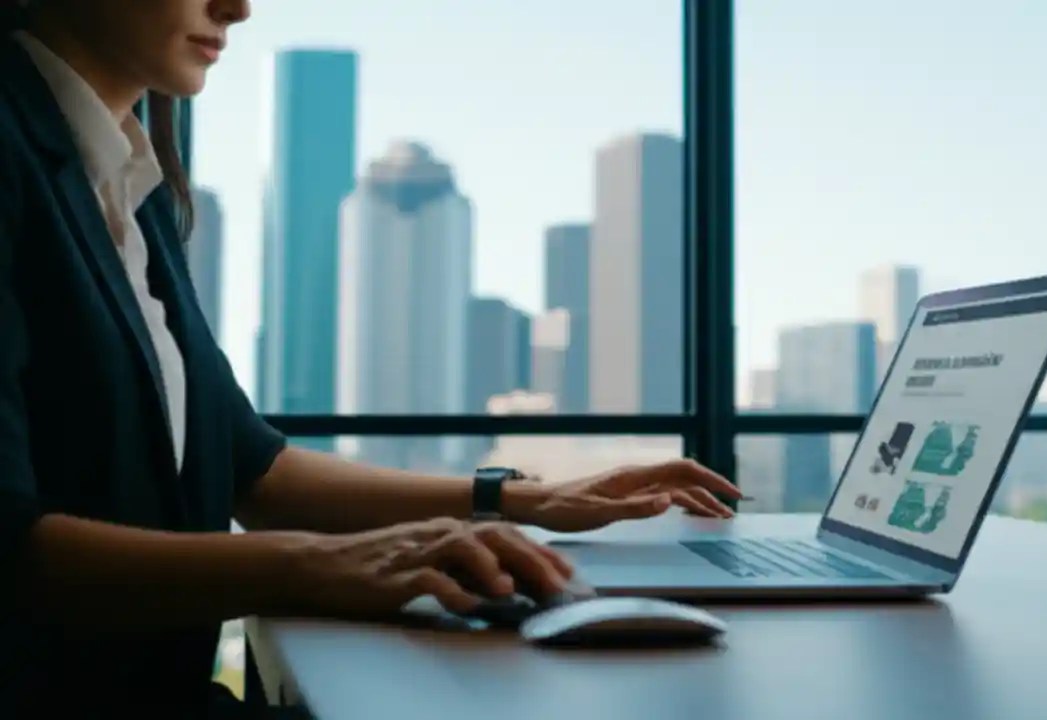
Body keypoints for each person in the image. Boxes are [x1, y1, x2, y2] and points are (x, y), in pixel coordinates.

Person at [0, 1, 741, 715]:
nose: (237, 7)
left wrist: (521, 499)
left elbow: (255, 470)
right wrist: (320, 567)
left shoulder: (132, 182)